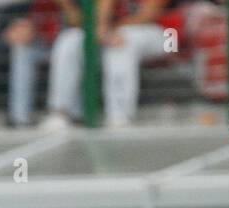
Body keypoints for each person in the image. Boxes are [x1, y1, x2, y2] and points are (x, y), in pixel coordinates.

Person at [39, 0, 173, 129]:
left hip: (169, 36)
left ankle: (119, 115)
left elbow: (147, 15)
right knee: (69, 40)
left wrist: (110, 31)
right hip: (120, 31)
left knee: (122, 43)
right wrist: (101, 29)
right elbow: (92, 20)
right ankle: (61, 112)